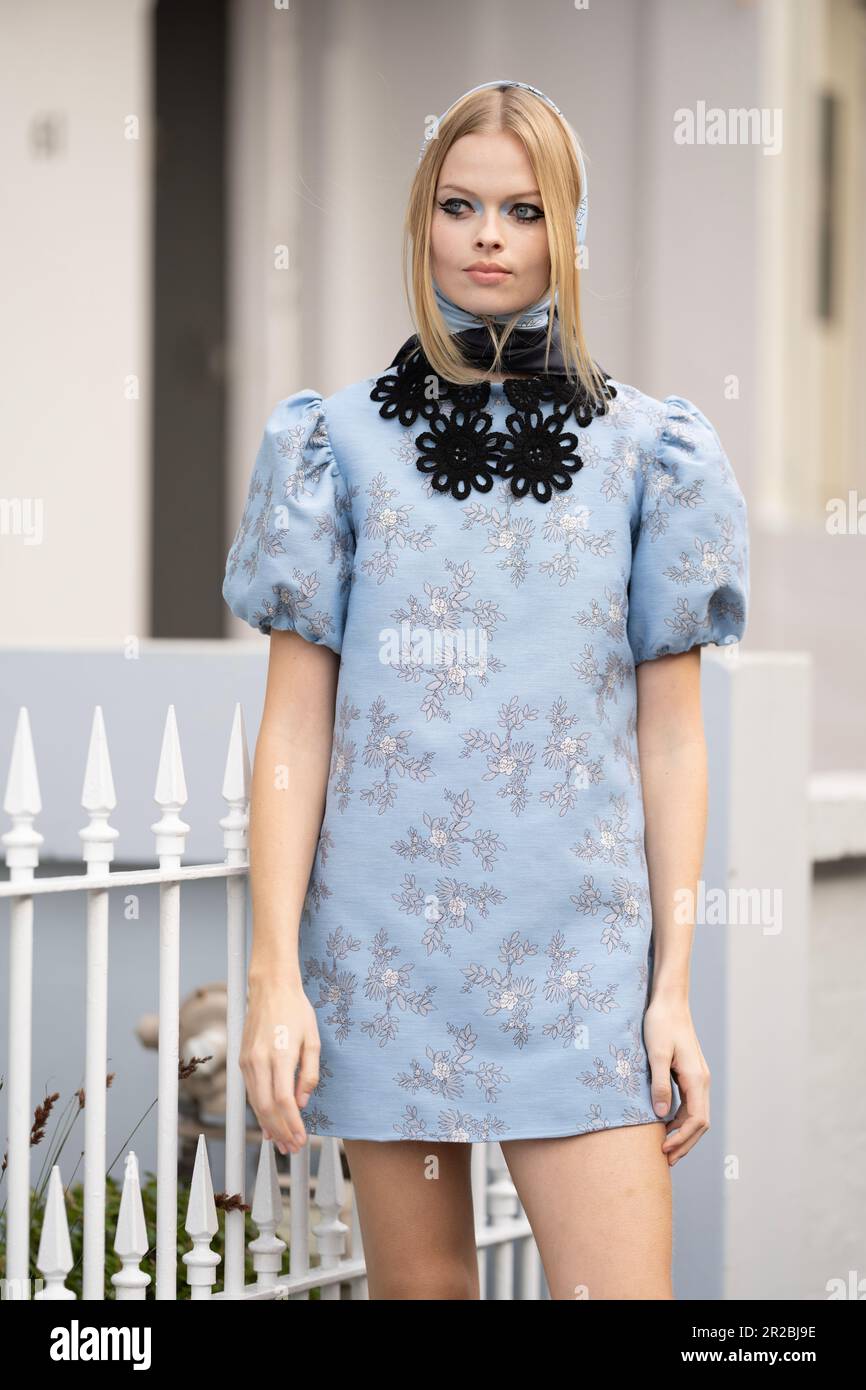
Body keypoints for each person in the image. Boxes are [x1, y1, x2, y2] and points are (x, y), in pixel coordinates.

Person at [222, 79, 750, 1301]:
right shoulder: (332, 445)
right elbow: (294, 727)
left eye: (521, 208)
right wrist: (274, 977)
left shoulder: (649, 452)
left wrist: (669, 986)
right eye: (458, 205)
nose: (488, 236)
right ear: (421, 222)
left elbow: (671, 744)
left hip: (582, 972)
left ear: (566, 226)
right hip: (379, 957)